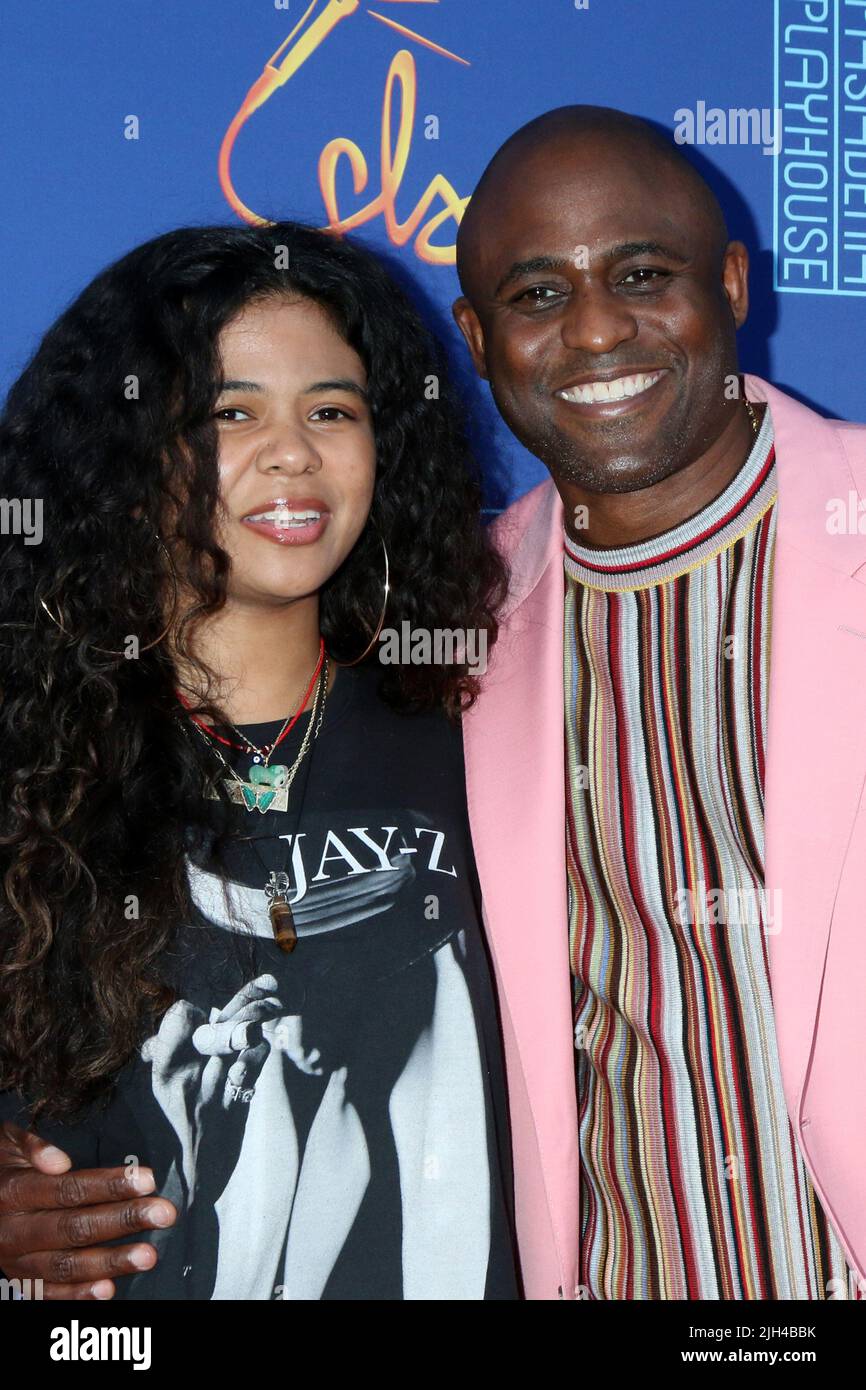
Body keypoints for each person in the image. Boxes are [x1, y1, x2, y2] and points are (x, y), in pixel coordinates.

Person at [0, 221, 519, 1300]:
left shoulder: (485, 719)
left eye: (332, 409)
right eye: (230, 412)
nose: (293, 453)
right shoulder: (28, 752)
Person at [452, 105, 866, 1301]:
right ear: (476, 338)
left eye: (641, 274)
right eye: (536, 295)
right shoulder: (443, 627)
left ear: (730, 282)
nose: (594, 330)